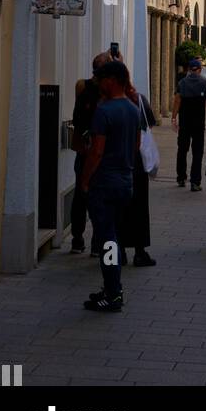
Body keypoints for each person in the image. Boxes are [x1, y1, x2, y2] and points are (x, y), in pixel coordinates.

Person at [80, 61, 140, 312]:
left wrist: (84, 180)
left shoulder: (104, 111)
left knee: (107, 241)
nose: (99, 83)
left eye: (102, 79)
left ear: (112, 81)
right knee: (112, 236)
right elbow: (136, 146)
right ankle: (110, 286)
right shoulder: (133, 108)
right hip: (125, 181)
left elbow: (96, 151)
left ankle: (114, 293)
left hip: (104, 183)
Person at [70, 52, 110, 254]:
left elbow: (77, 118)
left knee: (80, 194)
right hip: (99, 151)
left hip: (84, 148)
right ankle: (97, 243)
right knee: (100, 198)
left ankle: (77, 239)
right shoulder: (107, 93)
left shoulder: (81, 86)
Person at [119, 66, 158, 267]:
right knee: (139, 207)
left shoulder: (108, 104)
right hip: (137, 163)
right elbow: (150, 124)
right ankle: (140, 251)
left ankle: (118, 253)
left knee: (118, 211)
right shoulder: (139, 99)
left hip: (117, 163)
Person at [172, 58, 206, 190]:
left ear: (188, 69)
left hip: (185, 122)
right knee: (197, 152)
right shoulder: (205, 83)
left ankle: (181, 177)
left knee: (182, 149)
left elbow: (177, 101)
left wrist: (173, 118)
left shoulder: (182, 83)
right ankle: (195, 181)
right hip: (198, 122)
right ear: (199, 70)